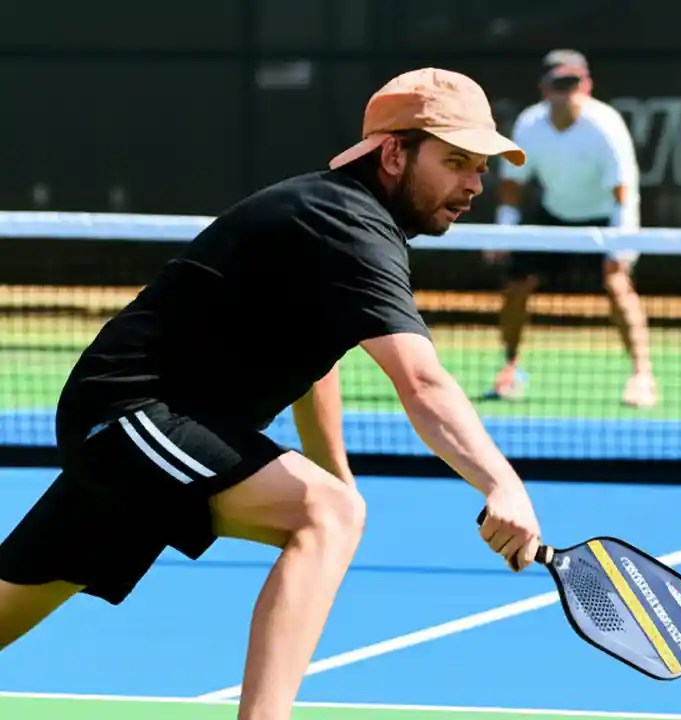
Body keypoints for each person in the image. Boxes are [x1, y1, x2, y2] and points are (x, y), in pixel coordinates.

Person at [0, 68, 545, 720]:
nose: (475, 184)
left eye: (481, 166)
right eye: (456, 161)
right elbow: (422, 381)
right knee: (328, 515)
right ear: (394, 153)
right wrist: (501, 484)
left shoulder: (344, 221)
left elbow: (317, 356)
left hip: (148, 431)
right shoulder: (348, 222)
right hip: (134, 417)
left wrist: (333, 469)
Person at [488, 49, 657, 408]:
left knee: (617, 284)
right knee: (517, 285)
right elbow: (513, 184)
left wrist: (620, 247)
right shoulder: (530, 125)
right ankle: (510, 368)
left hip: (603, 218)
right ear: (545, 89)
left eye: (574, 82)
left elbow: (623, 194)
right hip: (554, 215)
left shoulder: (605, 126)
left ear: (587, 85)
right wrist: (505, 231)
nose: (567, 92)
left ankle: (642, 375)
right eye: (559, 84)